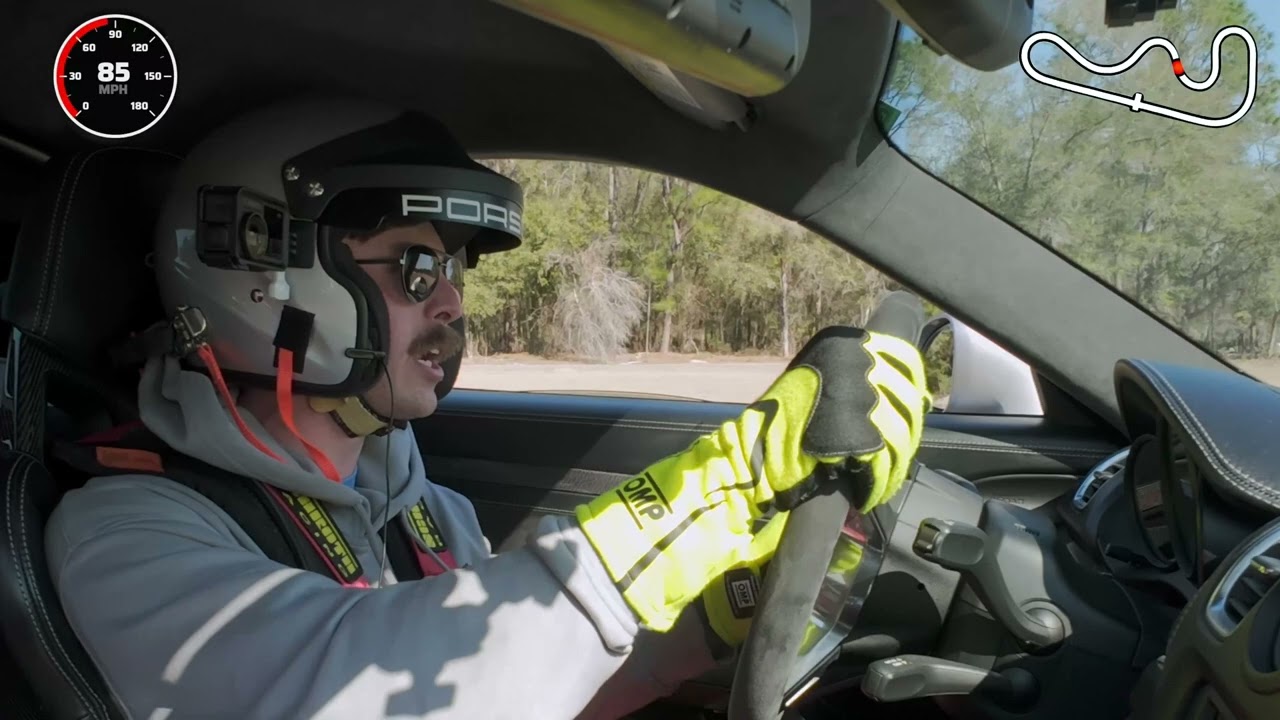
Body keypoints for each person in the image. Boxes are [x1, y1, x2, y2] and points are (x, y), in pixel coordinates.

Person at [44, 97, 931, 720]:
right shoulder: (128, 536)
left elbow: (513, 694)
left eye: (456, 270)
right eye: (414, 268)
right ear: (263, 274)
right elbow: (357, 690)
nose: (453, 305)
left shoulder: (419, 504)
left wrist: (715, 617)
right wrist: (717, 489)